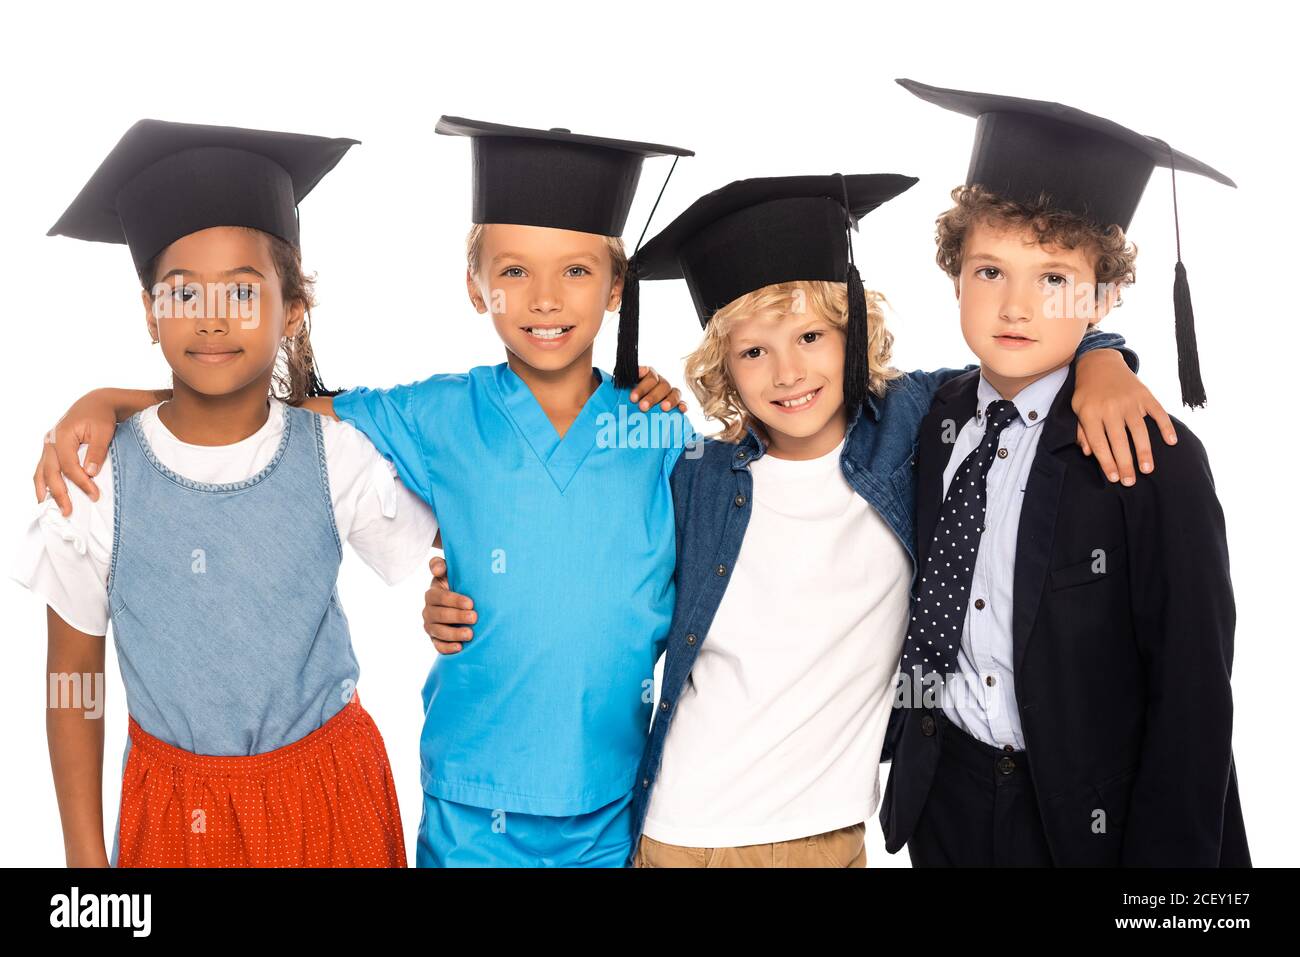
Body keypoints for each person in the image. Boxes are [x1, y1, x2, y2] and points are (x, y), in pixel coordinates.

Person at [13, 119, 439, 867]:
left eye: (243, 290)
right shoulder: (96, 485)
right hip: (178, 819)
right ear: (150, 313)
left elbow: (443, 539)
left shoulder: (332, 455)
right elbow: (73, 680)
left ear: (291, 311)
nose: (210, 316)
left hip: (329, 801)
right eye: (181, 293)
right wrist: (85, 868)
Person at [881, 78, 1250, 866]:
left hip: (1088, 824)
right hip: (946, 802)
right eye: (989, 272)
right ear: (954, 277)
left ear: (1104, 294)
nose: (1016, 306)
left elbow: (1192, 700)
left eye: (1053, 279)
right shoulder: (931, 420)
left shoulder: (1152, 458)